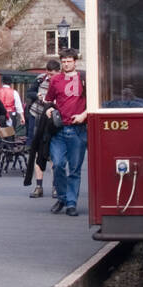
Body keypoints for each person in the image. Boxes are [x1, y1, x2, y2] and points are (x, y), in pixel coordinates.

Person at [44, 48, 87, 216]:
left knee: (75, 169)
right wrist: (49, 110)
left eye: (69, 61)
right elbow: (49, 100)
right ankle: (62, 197)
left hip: (78, 129)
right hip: (59, 130)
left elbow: (95, 101)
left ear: (75, 62)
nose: (66, 64)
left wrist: (84, 115)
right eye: (64, 61)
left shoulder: (84, 79)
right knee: (58, 165)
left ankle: (71, 203)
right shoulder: (55, 80)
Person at [25, 59, 59, 196]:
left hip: (52, 119)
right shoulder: (40, 79)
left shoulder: (62, 82)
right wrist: (38, 95)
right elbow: (30, 93)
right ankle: (38, 186)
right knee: (37, 151)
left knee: (54, 154)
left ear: (58, 72)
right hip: (37, 116)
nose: (49, 77)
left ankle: (56, 186)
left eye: (52, 74)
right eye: (48, 74)